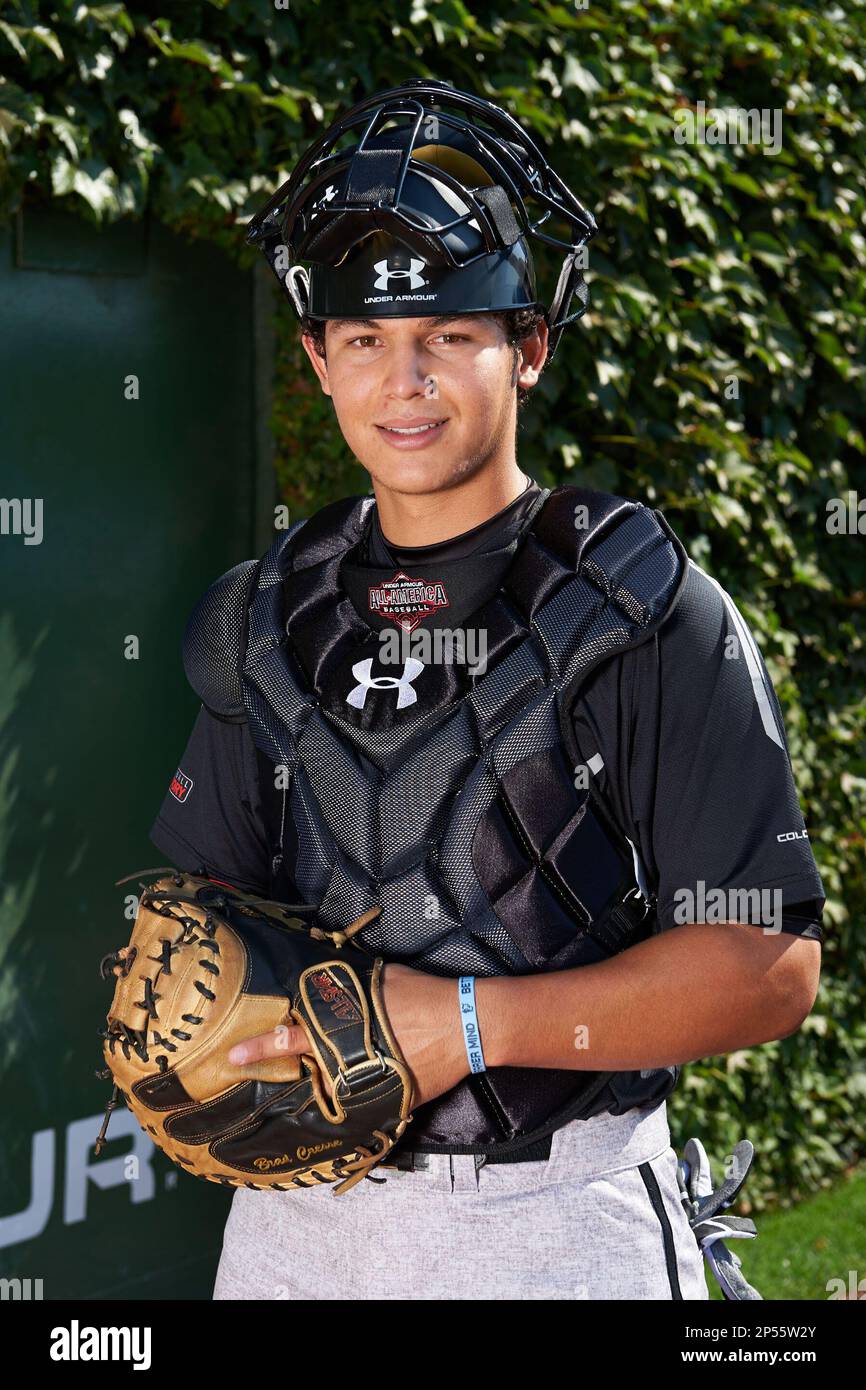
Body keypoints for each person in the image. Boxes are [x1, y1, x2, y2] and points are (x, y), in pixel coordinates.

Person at [149, 80, 825, 1301]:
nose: (402, 380)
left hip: (549, 1218)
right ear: (317, 358)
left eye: (449, 336)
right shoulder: (266, 612)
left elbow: (768, 966)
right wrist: (200, 1014)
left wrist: (470, 1024)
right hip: (295, 1222)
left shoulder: (642, 610)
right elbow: (206, 900)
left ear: (528, 346)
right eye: (364, 340)